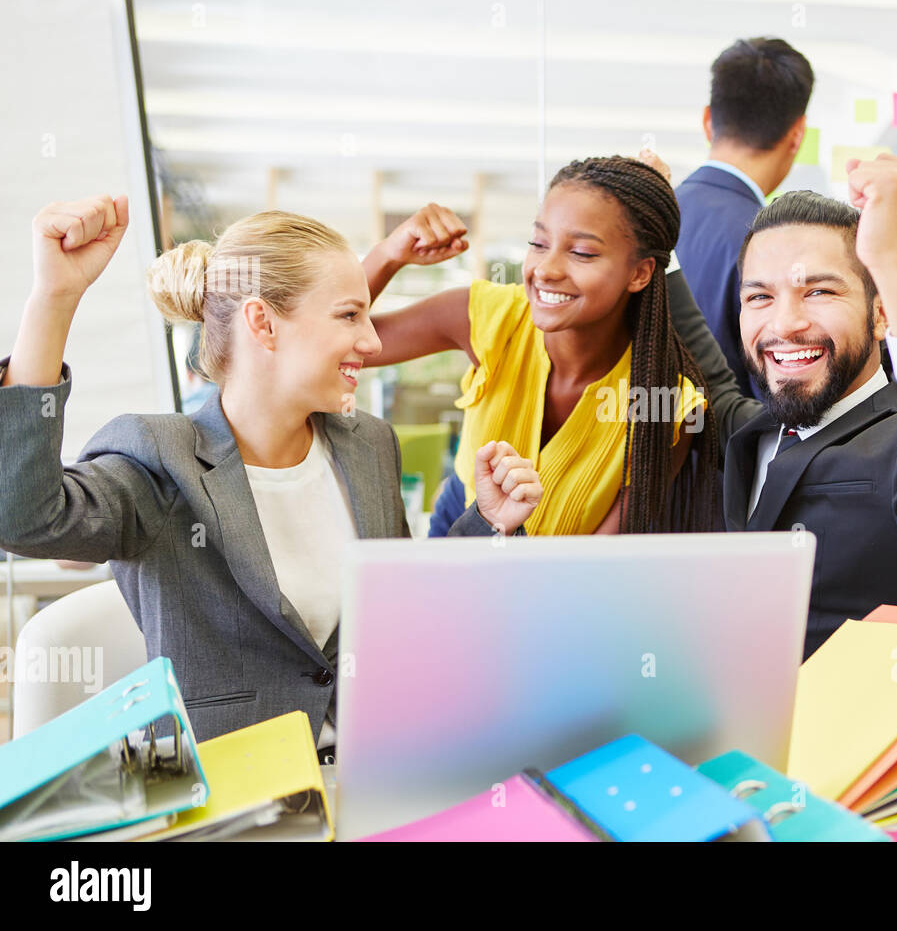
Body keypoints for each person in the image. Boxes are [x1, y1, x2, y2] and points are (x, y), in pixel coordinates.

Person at [0, 195, 541, 745]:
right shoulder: (161, 456)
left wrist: (487, 523)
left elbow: (402, 606)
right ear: (263, 323)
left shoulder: (369, 445)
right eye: (350, 315)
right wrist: (55, 298)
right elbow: (25, 520)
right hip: (233, 803)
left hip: (370, 765)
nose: (373, 341)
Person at [668, 158, 897, 659]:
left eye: (818, 291)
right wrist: (658, 238)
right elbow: (707, 366)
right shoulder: (753, 429)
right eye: (760, 297)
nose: (785, 323)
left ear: (881, 311)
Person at [365, 155, 721, 536]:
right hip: (461, 538)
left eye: (582, 252)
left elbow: (599, 562)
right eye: (538, 243)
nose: (545, 270)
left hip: (562, 581)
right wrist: (388, 255)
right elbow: (340, 341)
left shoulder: (664, 404)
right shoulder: (494, 316)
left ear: (639, 273)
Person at [675, 37, 814, 399]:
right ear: (797, 134)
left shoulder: (647, 216)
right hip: (732, 453)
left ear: (708, 120)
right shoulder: (770, 240)